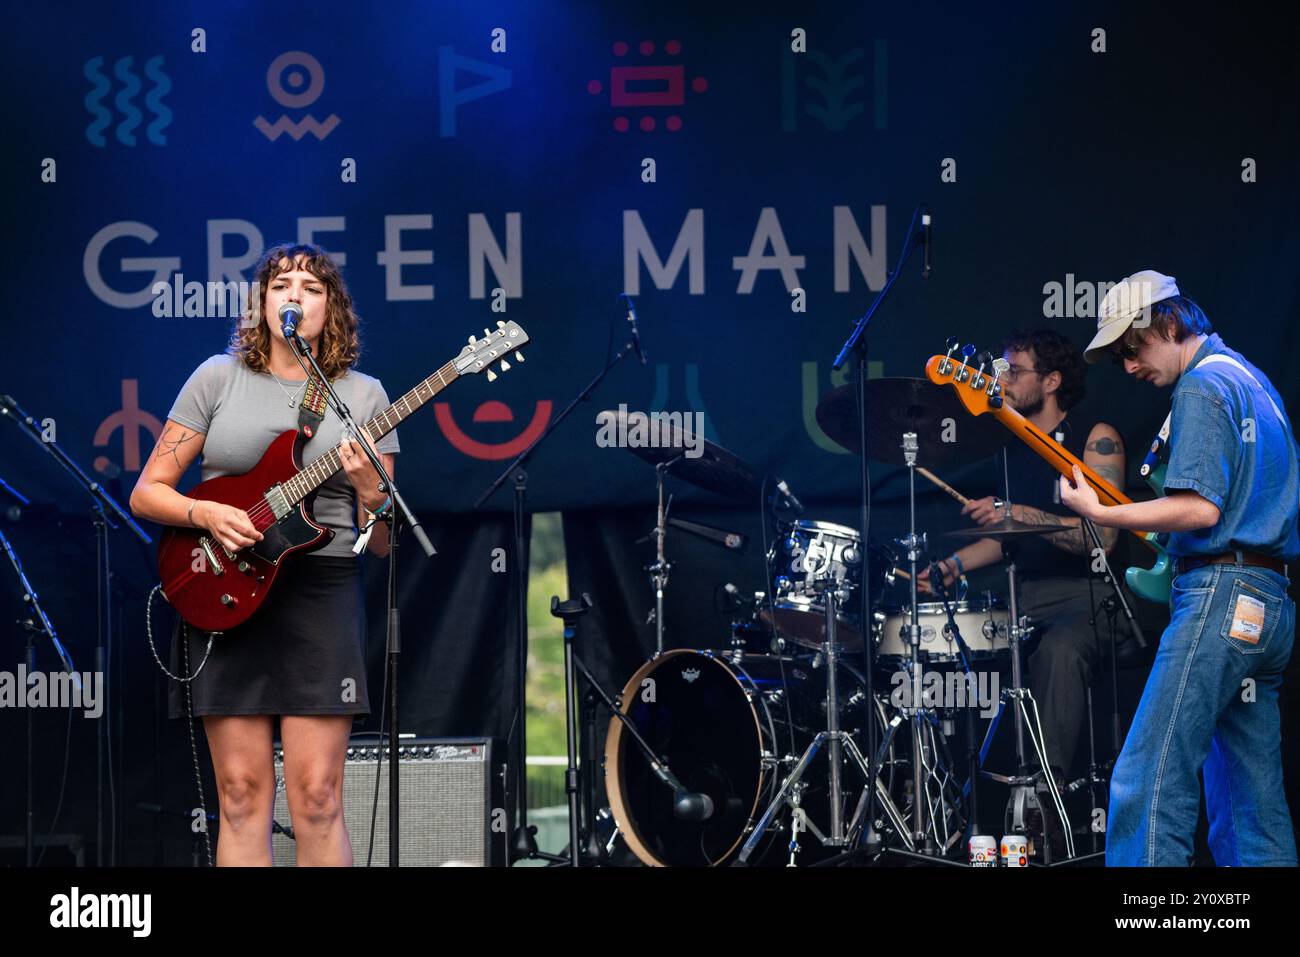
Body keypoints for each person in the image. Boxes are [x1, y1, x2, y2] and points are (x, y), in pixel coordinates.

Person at [130, 243, 400, 866]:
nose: (295, 294)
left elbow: (382, 541)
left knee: (317, 798)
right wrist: (207, 513)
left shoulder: (362, 395)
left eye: (311, 286)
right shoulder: (216, 378)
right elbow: (147, 494)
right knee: (243, 794)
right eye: (281, 285)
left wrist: (368, 491)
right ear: (261, 303)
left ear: (330, 308)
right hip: (227, 585)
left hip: (321, 589)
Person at [1060, 269, 1298, 866]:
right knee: (1251, 805)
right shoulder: (1253, 380)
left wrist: (1098, 512)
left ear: (1167, 322)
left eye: (1129, 348)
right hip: (1269, 603)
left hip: (1220, 597)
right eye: (1117, 358)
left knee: (1148, 778)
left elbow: (1199, 508)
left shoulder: (1200, 388)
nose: (1128, 366)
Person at [919, 328, 1130, 788]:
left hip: (1090, 597)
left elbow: (1105, 538)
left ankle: (1044, 796)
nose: (1004, 380)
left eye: (1014, 371)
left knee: (1059, 650)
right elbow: (1009, 534)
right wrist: (952, 567)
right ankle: (961, 798)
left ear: (1051, 381)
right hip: (1024, 598)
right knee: (961, 646)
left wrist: (1013, 511)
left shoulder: (1095, 438)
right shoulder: (1011, 450)